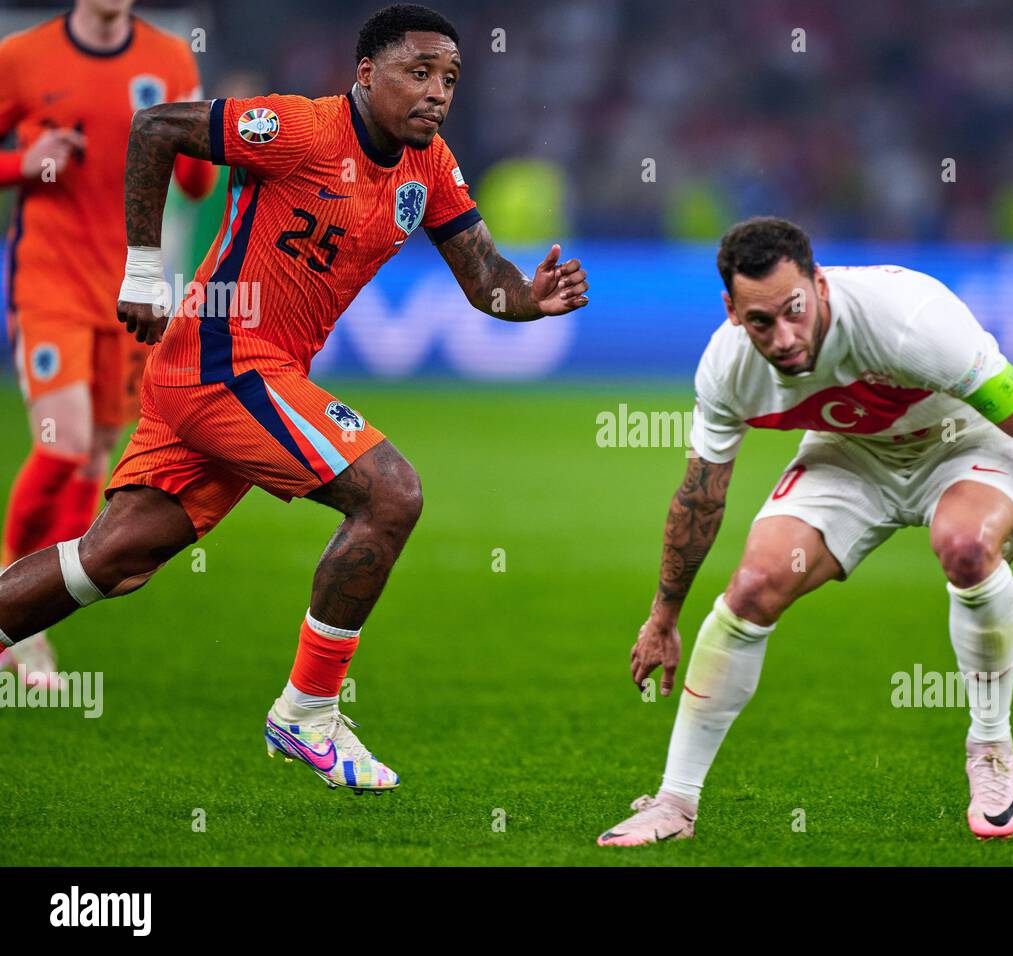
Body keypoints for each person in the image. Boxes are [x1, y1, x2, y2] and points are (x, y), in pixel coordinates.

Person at [0, 3, 589, 794]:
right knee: (391, 492)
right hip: (225, 360)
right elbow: (156, 128)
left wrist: (531, 298)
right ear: (365, 75)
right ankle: (308, 714)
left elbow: (487, 282)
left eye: (449, 77)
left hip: (242, 373)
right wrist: (144, 270)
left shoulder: (429, 165)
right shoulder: (301, 129)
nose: (437, 92)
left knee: (117, 556)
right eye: (418, 73)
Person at [599, 216, 1013, 844]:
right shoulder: (727, 368)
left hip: (962, 441)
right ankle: (675, 804)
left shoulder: (909, 321)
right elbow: (701, 499)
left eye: (794, 309)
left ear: (819, 285)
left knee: (964, 547)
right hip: (849, 454)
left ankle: (989, 746)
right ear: (732, 312)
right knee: (753, 587)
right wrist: (664, 616)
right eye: (760, 321)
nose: (784, 336)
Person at [0, 0, 216, 686]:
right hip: (50, 282)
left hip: (130, 290)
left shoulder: (169, 56)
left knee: (94, 456)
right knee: (62, 446)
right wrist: (24, 163)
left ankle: (29, 630)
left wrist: (198, 129)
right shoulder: (22, 58)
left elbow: (195, 182)